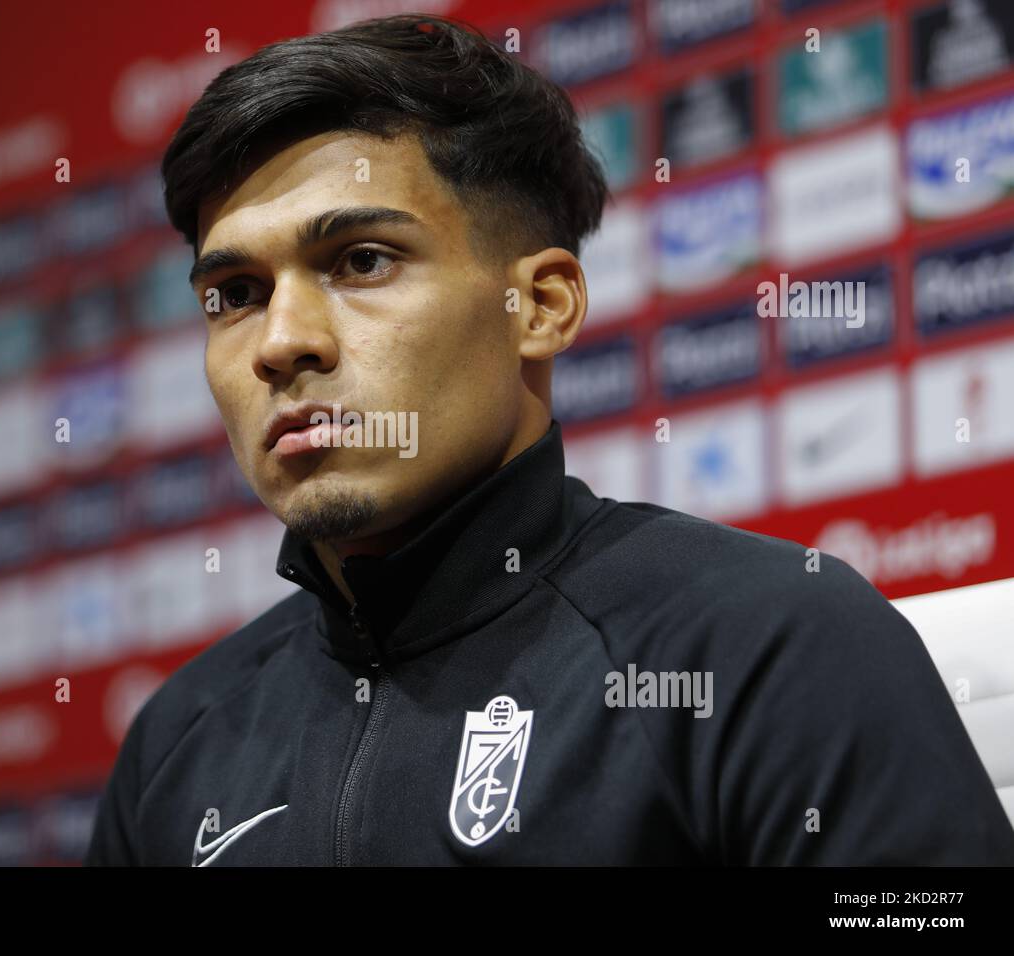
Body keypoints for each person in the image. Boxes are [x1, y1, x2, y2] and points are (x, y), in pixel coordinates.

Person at [86, 14, 1014, 865]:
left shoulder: (770, 642)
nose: (283, 341)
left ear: (539, 305)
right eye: (237, 294)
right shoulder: (180, 742)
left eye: (361, 261)